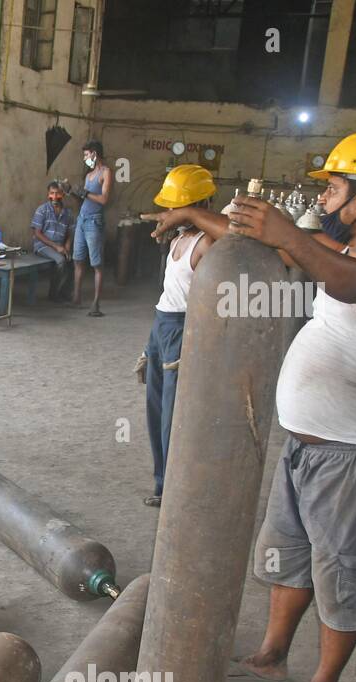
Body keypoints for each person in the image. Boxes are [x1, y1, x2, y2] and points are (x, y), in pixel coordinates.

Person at [144, 132, 356, 682]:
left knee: (345, 571)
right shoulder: (334, 249)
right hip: (304, 446)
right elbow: (272, 252)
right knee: (291, 557)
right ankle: (272, 656)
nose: (324, 196)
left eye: (333, 187)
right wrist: (206, 218)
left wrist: (291, 236)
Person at [137, 164, 215, 507]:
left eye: (175, 206)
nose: (167, 212)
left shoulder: (207, 242)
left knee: (173, 415)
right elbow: (169, 292)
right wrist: (148, 343)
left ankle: (175, 487)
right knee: (155, 409)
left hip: (183, 328)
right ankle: (161, 482)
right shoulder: (179, 238)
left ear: (196, 206)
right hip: (162, 324)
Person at [66, 140, 112, 316]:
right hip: (82, 220)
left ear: (94, 154)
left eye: (86, 155)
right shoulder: (89, 175)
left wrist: (85, 193)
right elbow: (83, 199)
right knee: (78, 260)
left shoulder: (106, 172)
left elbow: (104, 199)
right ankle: (76, 298)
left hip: (94, 221)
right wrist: (71, 191)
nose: (85, 158)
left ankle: (96, 304)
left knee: (97, 264)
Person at [30, 181, 74, 302]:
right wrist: (57, 247)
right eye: (52, 193)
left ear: (63, 195)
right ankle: (53, 294)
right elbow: (37, 233)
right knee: (60, 261)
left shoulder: (68, 213)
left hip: (59, 246)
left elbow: (70, 233)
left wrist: (67, 246)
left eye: (58, 193)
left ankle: (64, 292)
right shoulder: (42, 210)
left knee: (74, 260)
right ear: (48, 194)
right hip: (42, 245)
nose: (54, 197)